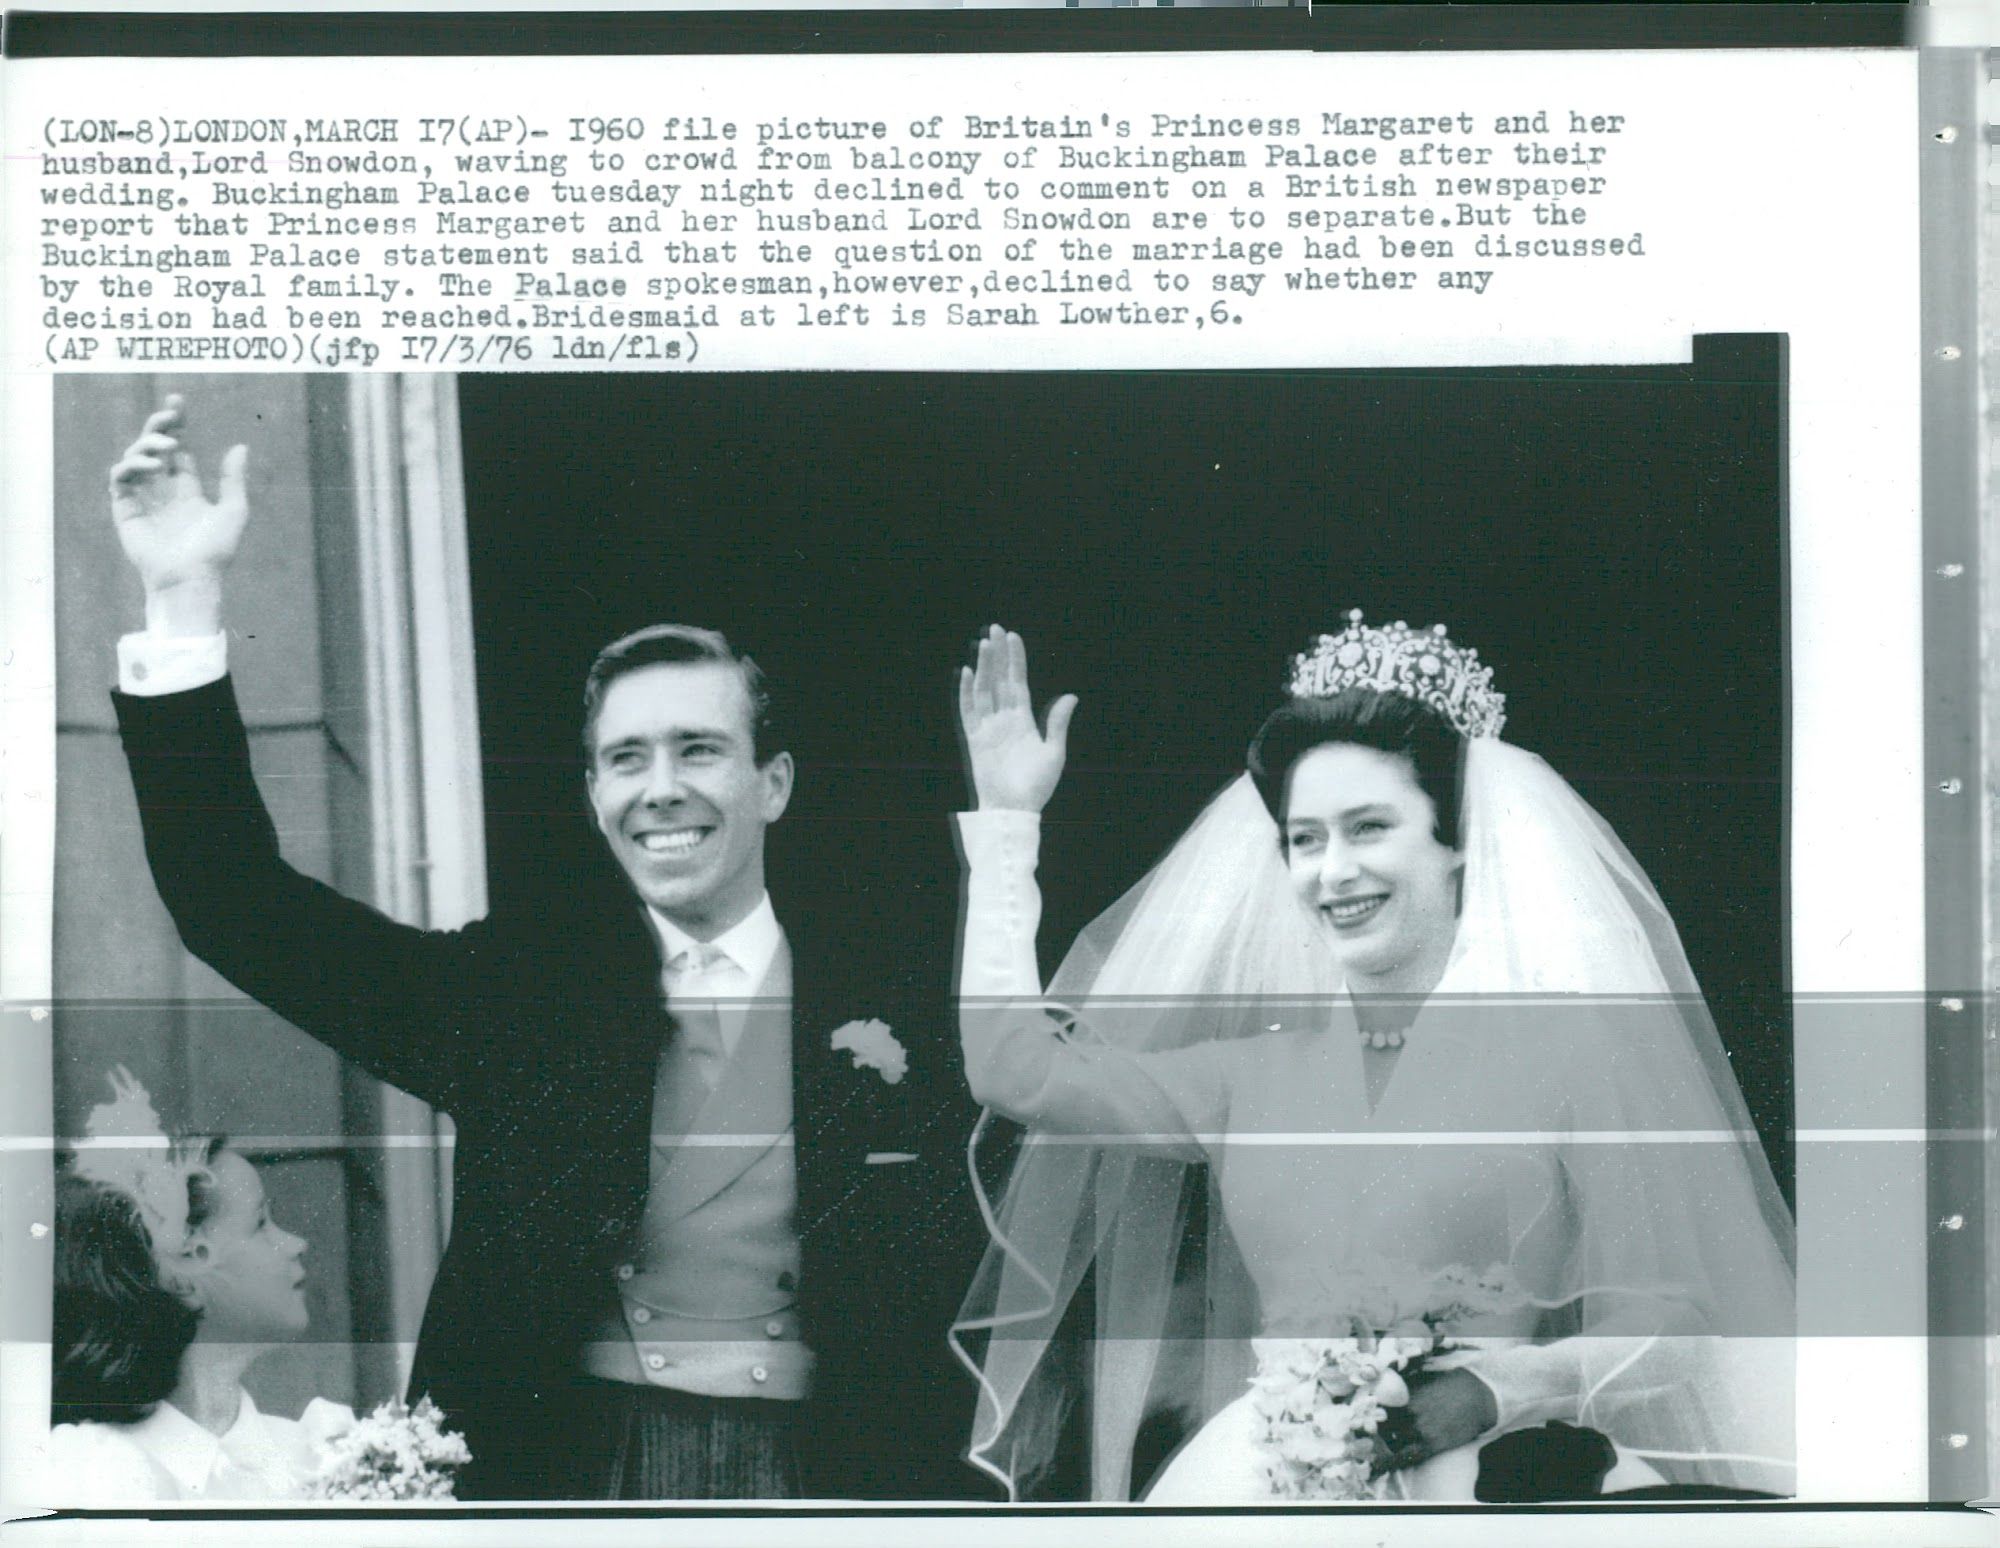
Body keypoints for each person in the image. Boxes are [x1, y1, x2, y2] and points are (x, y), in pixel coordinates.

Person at [103, 397, 985, 1500]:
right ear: (591, 794)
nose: (659, 788)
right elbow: (234, 903)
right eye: (624, 760)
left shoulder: (894, 995)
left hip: (825, 1484)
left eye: (698, 749)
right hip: (571, 1475)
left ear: (773, 783)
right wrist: (181, 597)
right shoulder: (519, 994)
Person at [947, 620, 1797, 1502]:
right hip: (1262, 1481)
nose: (1332, 871)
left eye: (1368, 829)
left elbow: (1676, 1325)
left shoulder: (1568, 1052)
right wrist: (1009, 826)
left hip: (1499, 1482)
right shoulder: (1250, 1076)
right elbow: (1014, 1073)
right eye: (1304, 840)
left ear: (1456, 838)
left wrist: (1495, 1390)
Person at [46, 1069, 352, 1503]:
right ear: (180, 1274)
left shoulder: (317, 1458)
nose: (296, 1243)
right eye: (261, 1223)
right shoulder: (87, 1477)